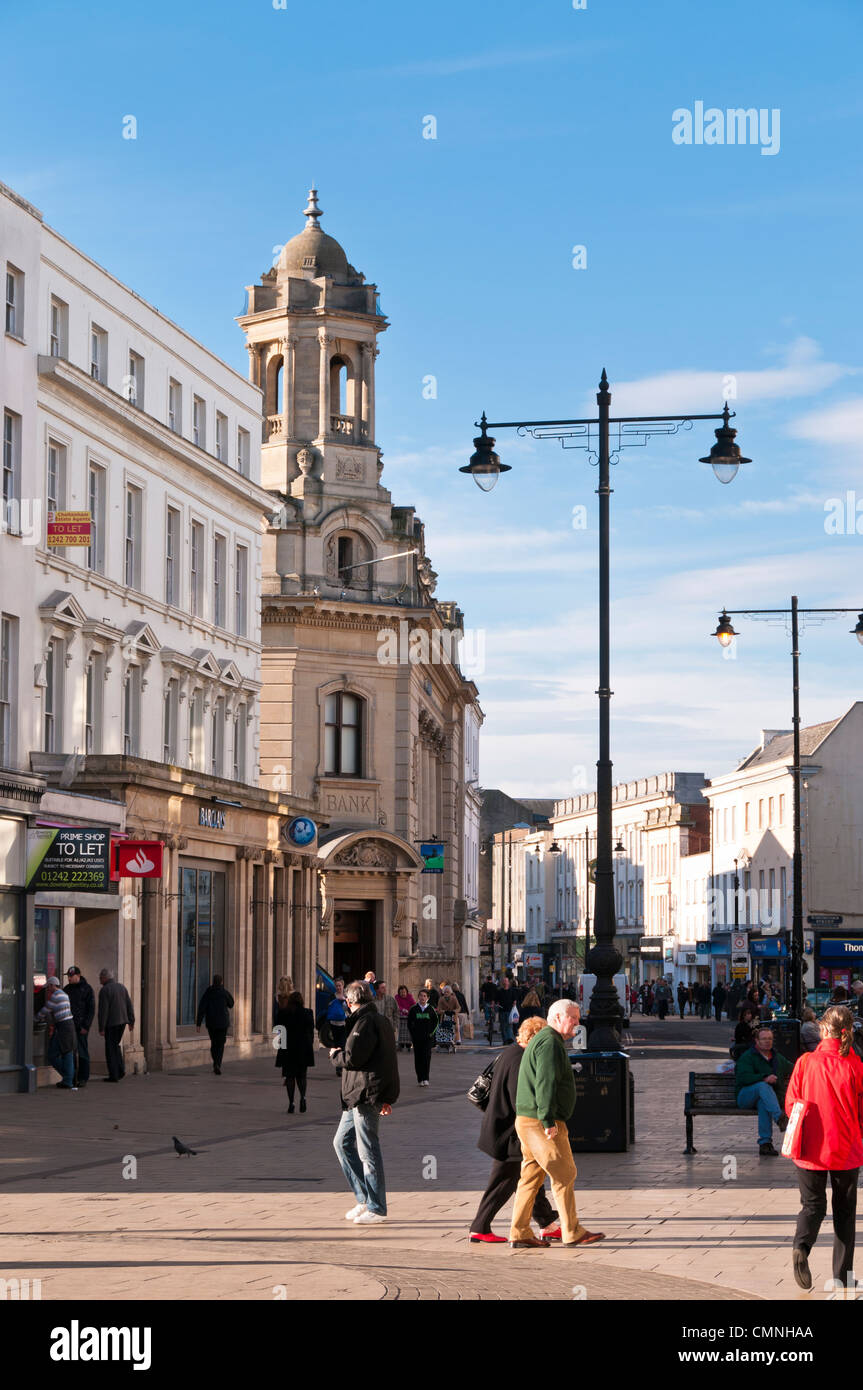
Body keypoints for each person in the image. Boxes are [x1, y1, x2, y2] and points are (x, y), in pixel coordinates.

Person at [509, 999, 605, 1250]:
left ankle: (519, 1232)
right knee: (565, 1173)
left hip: (528, 1120)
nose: (577, 1022)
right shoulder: (550, 1042)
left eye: (578, 1017)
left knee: (530, 1177)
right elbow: (545, 1082)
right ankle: (572, 1231)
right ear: (557, 1018)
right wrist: (548, 1120)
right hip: (540, 1123)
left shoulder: (545, 1040)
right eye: (572, 1017)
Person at [785, 1005, 863, 1293]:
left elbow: (791, 1103)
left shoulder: (805, 1062)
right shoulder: (855, 1065)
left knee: (812, 1205)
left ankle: (801, 1247)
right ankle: (842, 1275)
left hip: (810, 1149)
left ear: (823, 1029)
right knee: (845, 1213)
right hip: (846, 1148)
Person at [470, 1017, 561, 1245]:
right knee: (504, 1181)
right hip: (510, 1133)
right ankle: (479, 1227)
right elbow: (517, 1098)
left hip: (501, 1127)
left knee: (530, 1176)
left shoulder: (509, 1052)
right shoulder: (521, 1060)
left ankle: (547, 1224)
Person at [329, 979, 399, 1224]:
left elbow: (353, 1058)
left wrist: (335, 1055)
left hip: (365, 1094)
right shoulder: (377, 1020)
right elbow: (388, 1061)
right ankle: (364, 1198)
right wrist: (388, 1097)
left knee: (368, 1151)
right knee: (341, 1142)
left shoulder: (366, 1022)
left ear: (349, 1001)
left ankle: (377, 1207)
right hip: (357, 1094)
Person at [735, 1024, 793, 1156]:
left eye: (770, 1039)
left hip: (765, 1098)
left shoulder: (777, 1058)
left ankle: (765, 1144)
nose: (767, 1042)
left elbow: (794, 1068)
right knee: (762, 1086)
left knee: (763, 1103)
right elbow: (742, 1077)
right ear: (757, 1041)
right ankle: (780, 1118)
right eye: (764, 1039)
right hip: (745, 1096)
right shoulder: (748, 1057)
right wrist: (764, 1078)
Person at [274, 988, 315, 1112]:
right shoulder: (308, 1012)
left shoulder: (283, 1013)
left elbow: (278, 1029)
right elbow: (311, 1031)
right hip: (303, 1048)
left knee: (290, 1076)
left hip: (288, 1048)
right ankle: (303, 1097)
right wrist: (309, 1044)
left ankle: (291, 1103)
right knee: (302, 1076)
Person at [34, 977, 78, 1090]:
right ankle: (68, 1078)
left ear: (53, 985)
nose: (48, 990)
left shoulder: (56, 996)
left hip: (62, 1027)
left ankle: (68, 1078)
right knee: (67, 1053)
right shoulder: (64, 994)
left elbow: (46, 1009)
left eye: (48, 987)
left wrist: (35, 1018)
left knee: (53, 1054)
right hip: (69, 1026)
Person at [97, 968, 134, 1083]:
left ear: (104, 978)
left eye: (100, 977)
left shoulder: (105, 990)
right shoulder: (121, 987)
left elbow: (103, 1010)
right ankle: (120, 1069)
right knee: (115, 1045)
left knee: (110, 1048)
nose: (99, 979)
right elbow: (129, 1005)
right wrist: (131, 1021)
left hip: (111, 1023)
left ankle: (114, 1074)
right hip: (122, 1021)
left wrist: (101, 1027)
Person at [195, 974, 234, 1074]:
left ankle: (216, 1062)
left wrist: (198, 1023)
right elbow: (231, 1004)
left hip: (212, 1023)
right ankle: (217, 1064)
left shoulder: (209, 992)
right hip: (222, 1023)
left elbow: (202, 1007)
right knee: (220, 1044)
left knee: (214, 1043)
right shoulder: (224, 992)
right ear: (221, 982)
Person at [64, 966, 94, 1087]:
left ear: (78, 975)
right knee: (70, 1053)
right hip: (70, 1026)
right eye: (68, 976)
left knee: (82, 1052)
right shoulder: (67, 989)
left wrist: (86, 1026)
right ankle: (72, 1077)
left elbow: (91, 1009)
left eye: (71, 976)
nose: (69, 978)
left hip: (81, 1026)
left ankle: (83, 1077)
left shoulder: (87, 989)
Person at [407, 989, 438, 1085]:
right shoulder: (413, 1009)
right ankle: (420, 1078)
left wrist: (431, 1033)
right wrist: (413, 1034)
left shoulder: (431, 1009)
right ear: (418, 997)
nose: (422, 998)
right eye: (421, 995)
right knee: (418, 1057)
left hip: (427, 1038)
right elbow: (409, 1023)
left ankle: (426, 1078)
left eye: (425, 996)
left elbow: (436, 1022)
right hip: (417, 1039)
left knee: (426, 1057)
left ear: (428, 998)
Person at [435, 983, 459, 1052]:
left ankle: (450, 1042)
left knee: (452, 1030)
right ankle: (442, 1043)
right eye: (445, 992)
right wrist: (444, 1011)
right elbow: (438, 1009)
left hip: (452, 1017)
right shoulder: (441, 999)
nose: (446, 993)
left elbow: (458, 1007)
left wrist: (454, 1011)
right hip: (443, 1017)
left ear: (450, 993)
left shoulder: (454, 999)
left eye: (447, 992)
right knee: (442, 1030)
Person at [496, 976, 518, 1045]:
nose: (505, 982)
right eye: (504, 981)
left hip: (509, 1011)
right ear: (502, 983)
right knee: (503, 1026)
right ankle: (505, 1040)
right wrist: (497, 1004)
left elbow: (514, 1001)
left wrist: (514, 1006)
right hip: (502, 1010)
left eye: (506, 981)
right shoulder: (500, 991)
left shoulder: (512, 991)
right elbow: (497, 1000)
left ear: (508, 982)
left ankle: (510, 1038)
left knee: (509, 1025)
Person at [395, 984, 414, 1049]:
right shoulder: (397, 997)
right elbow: (397, 1006)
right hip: (401, 1016)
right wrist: (402, 1009)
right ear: (399, 993)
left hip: (409, 1016)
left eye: (404, 992)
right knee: (401, 1031)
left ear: (406, 992)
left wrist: (410, 1011)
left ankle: (408, 1044)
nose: (403, 994)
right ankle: (401, 1044)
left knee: (408, 1031)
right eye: (401, 992)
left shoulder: (410, 996)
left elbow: (413, 1004)